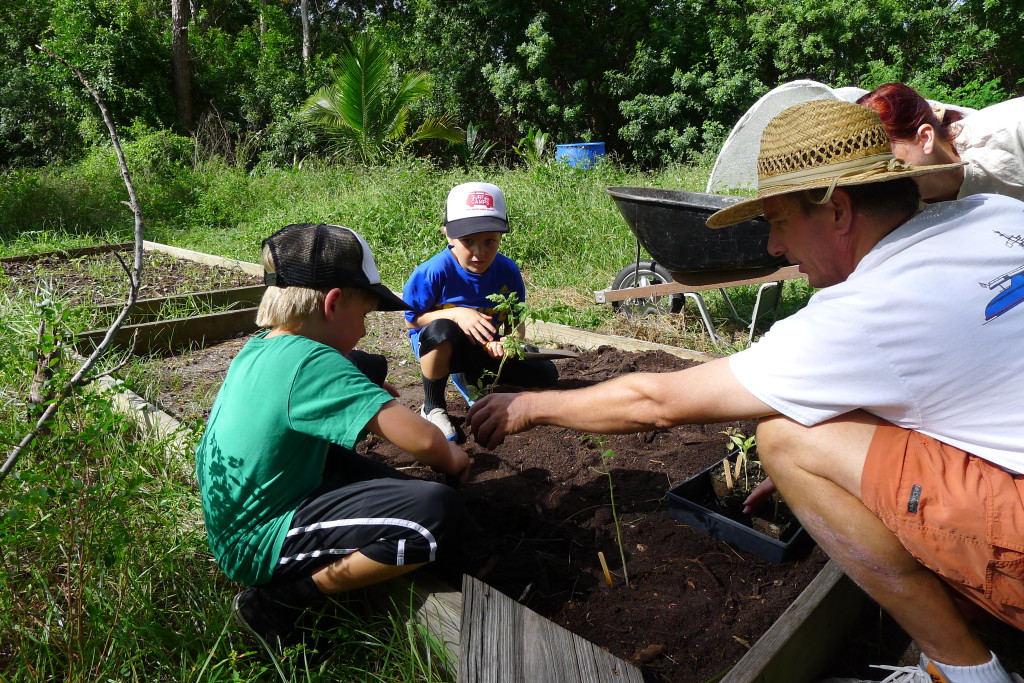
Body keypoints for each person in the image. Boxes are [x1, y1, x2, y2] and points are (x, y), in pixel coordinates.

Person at [468, 100, 1024, 683]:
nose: (776, 247)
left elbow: (657, 403)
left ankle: (964, 671)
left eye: (779, 222)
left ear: (836, 210)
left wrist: (531, 406)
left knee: (785, 440)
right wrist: (849, 476)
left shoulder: (864, 313)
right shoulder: (994, 211)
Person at [194, 223, 471, 655]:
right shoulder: (313, 363)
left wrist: (365, 388)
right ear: (334, 302)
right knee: (436, 513)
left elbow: (352, 367)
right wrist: (454, 460)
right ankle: (279, 602)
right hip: (260, 542)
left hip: (248, 509)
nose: (363, 329)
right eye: (363, 317)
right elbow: (426, 443)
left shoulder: (262, 346)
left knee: (364, 365)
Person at [402, 181, 558, 442]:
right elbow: (413, 321)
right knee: (442, 329)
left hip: (485, 345)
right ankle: (433, 406)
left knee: (547, 375)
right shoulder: (432, 272)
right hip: (440, 347)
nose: (479, 252)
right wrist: (455, 313)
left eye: (490, 241)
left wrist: (511, 340)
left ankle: (475, 380)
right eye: (468, 241)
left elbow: (514, 319)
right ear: (449, 235)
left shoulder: (507, 271)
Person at [858, 82, 1024, 202]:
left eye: (881, 153)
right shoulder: (887, 214)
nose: (872, 173)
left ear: (925, 138)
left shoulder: (1012, 129)